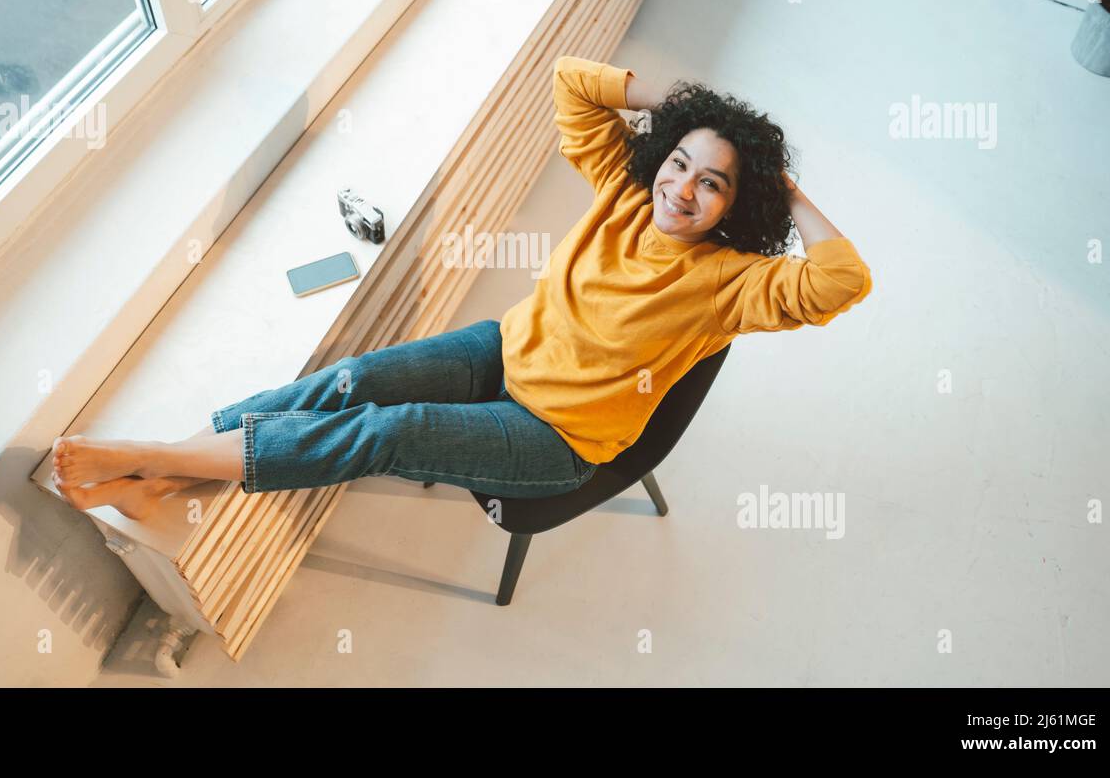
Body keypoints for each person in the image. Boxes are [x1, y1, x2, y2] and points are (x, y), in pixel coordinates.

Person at [51, 56, 872, 519]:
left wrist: (775, 177)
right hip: (507, 351)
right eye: (681, 163)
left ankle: (157, 454)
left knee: (387, 427)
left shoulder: (731, 282)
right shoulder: (628, 194)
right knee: (356, 378)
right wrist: (692, 107)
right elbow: (572, 82)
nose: (683, 190)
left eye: (715, 186)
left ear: (739, 205)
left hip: (557, 439)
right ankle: (186, 460)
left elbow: (845, 278)